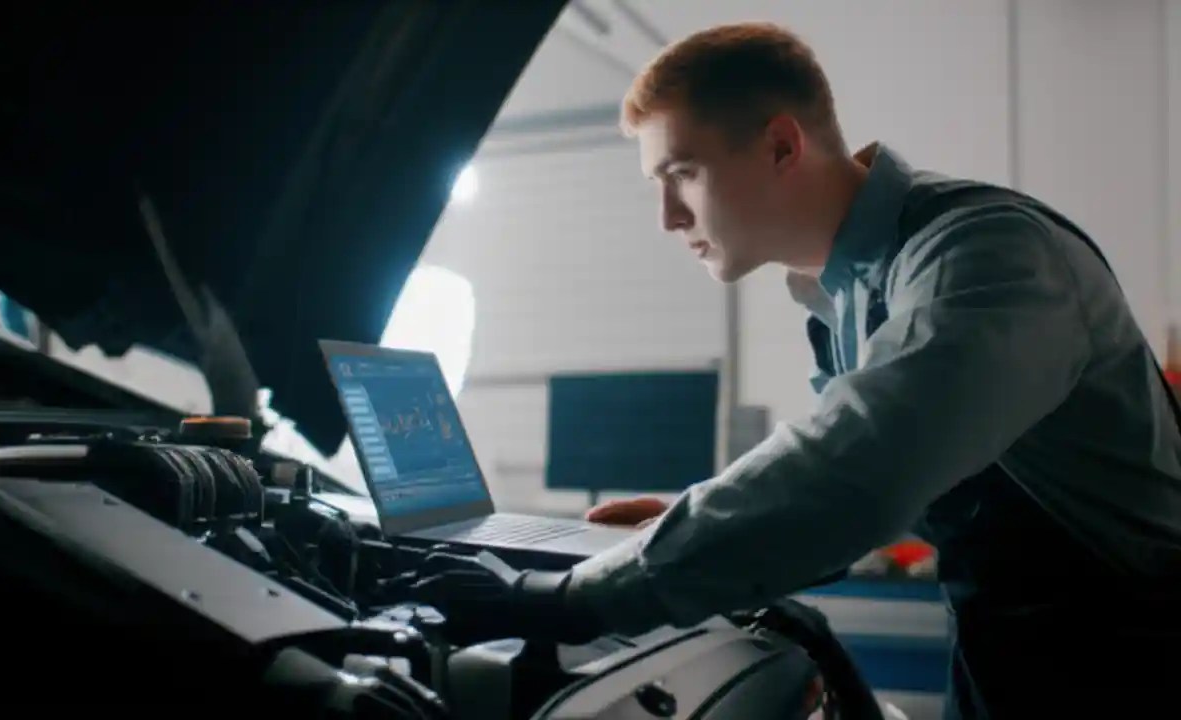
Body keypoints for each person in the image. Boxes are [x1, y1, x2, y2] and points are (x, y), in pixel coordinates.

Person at [408, 21, 1181, 718]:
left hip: (1131, 664)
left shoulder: (984, 258)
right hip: (1011, 660)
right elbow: (873, 495)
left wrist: (570, 600)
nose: (668, 219)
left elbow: (858, 475)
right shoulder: (845, 297)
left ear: (782, 145)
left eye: (681, 173)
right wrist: (693, 514)